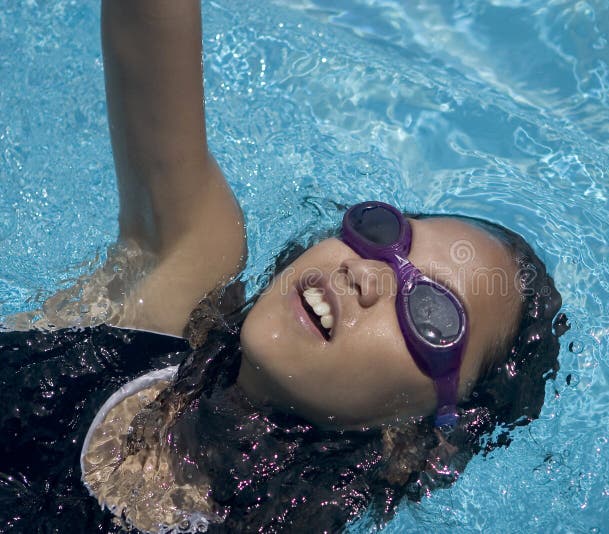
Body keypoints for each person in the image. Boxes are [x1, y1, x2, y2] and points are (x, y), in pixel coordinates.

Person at [0, 1, 567, 532]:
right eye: (386, 235)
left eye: (431, 312)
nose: (367, 274)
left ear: (414, 446)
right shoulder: (175, 286)